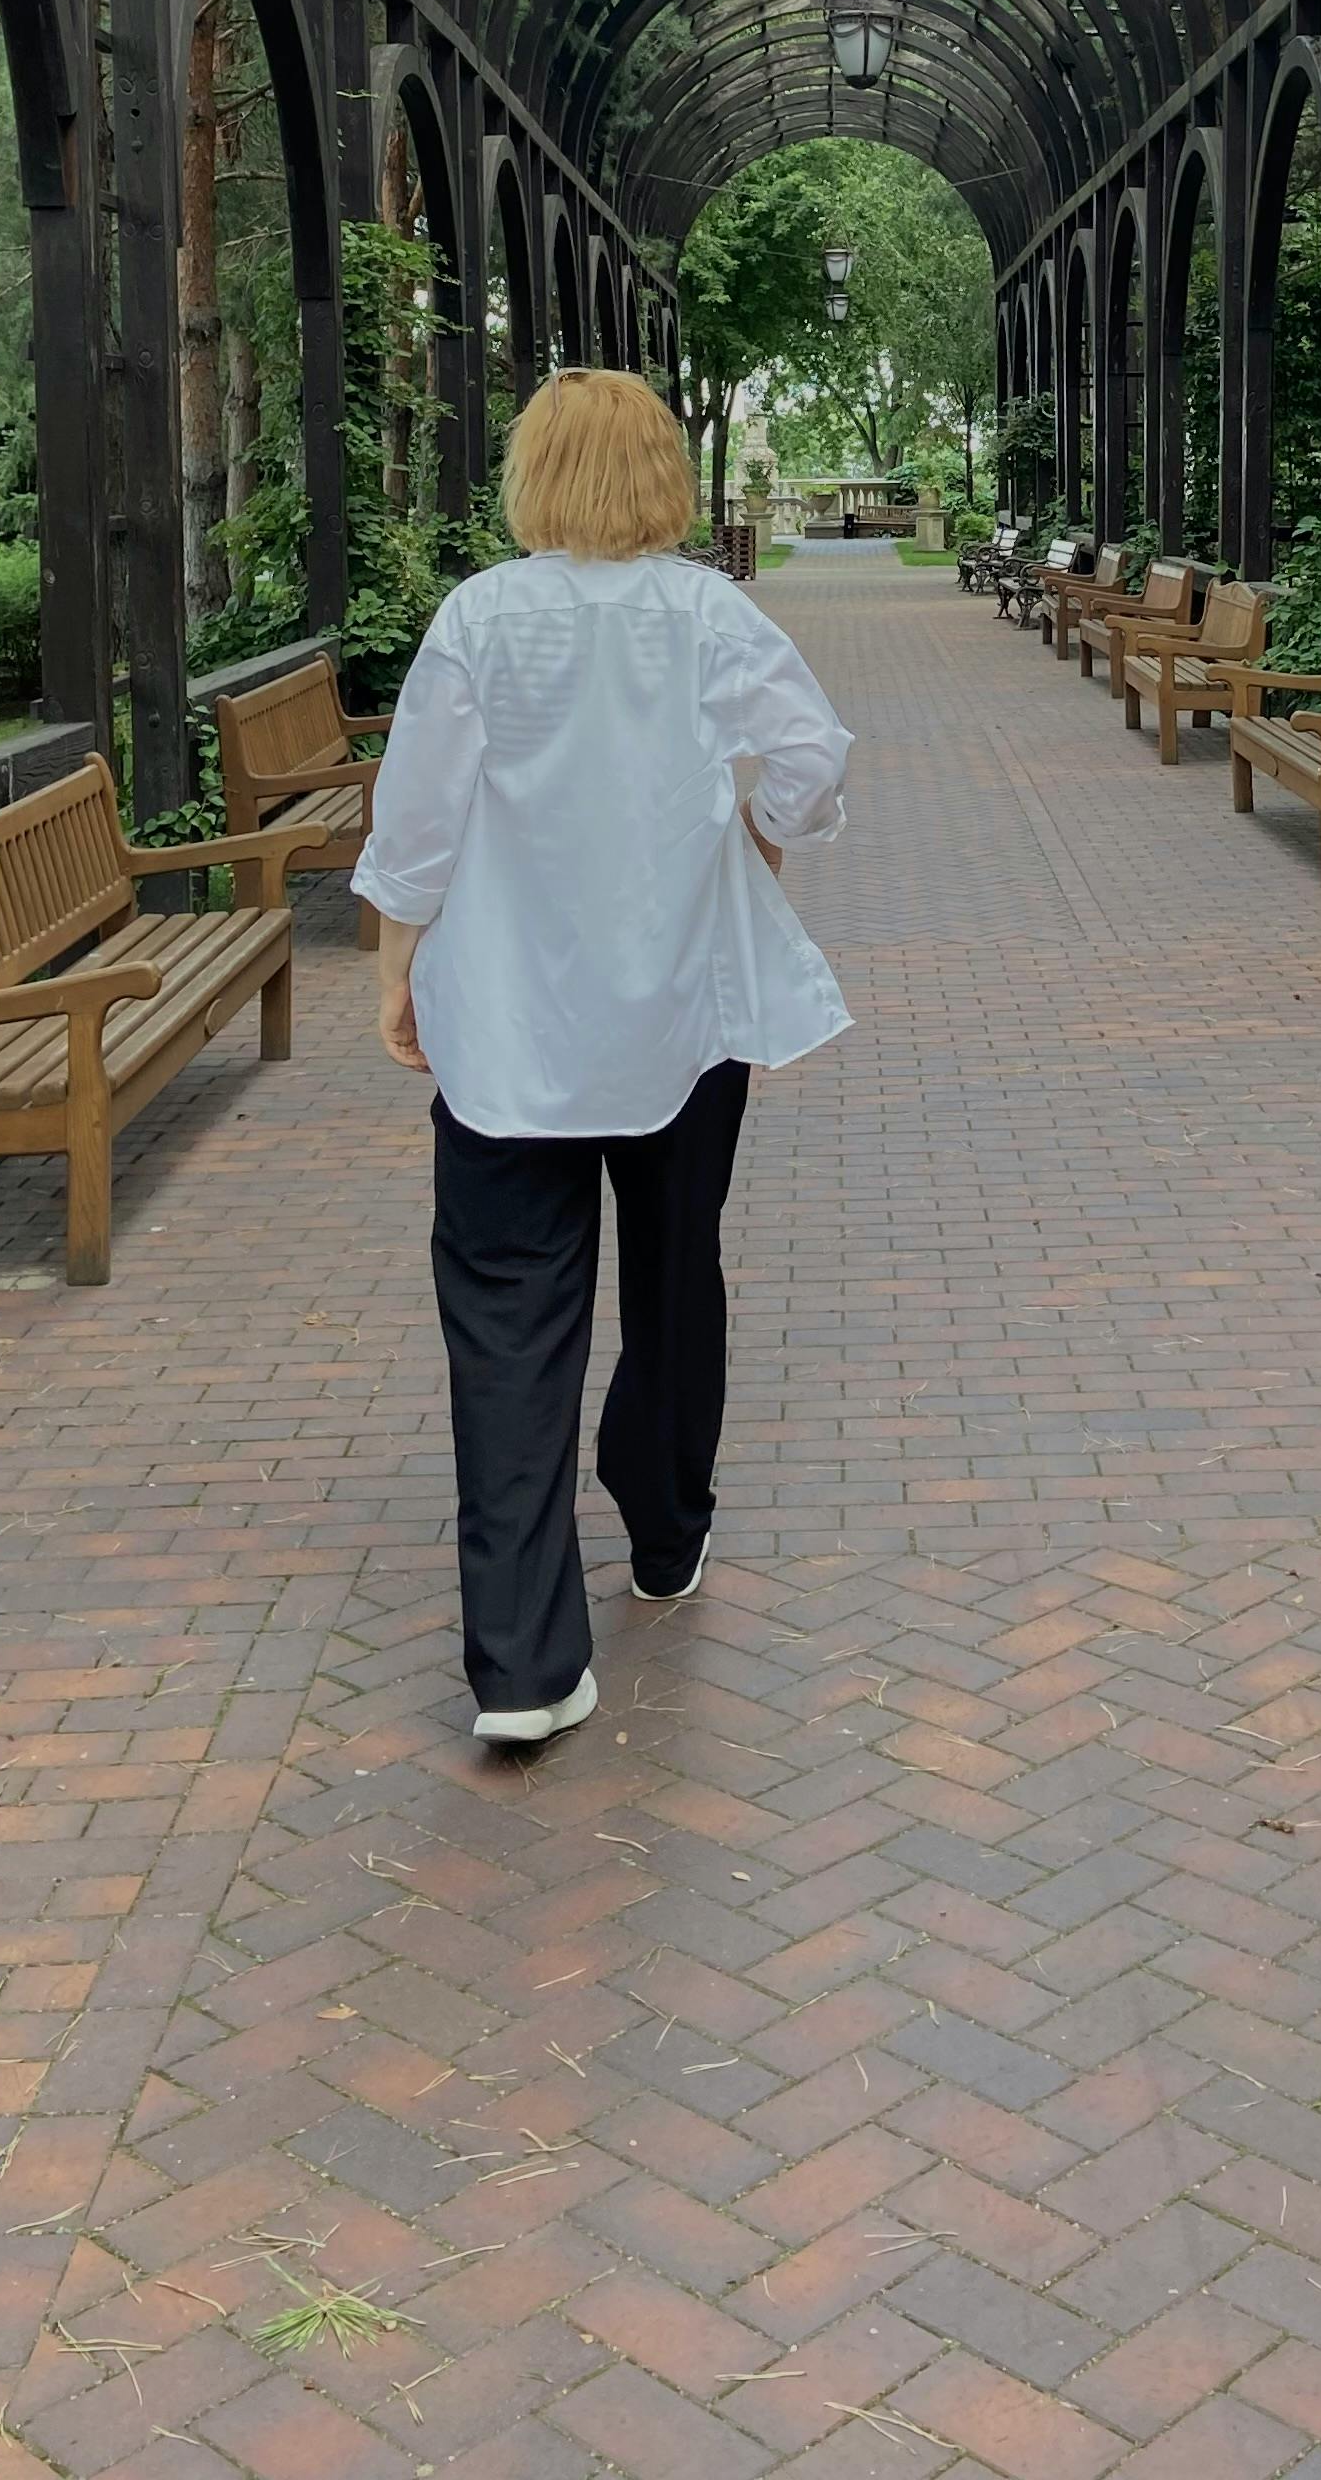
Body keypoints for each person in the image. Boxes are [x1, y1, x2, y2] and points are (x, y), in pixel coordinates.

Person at [353, 368, 853, 1748]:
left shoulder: (478, 620)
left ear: (532, 473)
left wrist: (399, 965)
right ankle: (666, 1517)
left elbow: (418, 820)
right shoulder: (705, 615)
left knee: (508, 1312)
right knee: (676, 1266)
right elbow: (810, 752)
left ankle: (521, 1664)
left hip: (512, 1023)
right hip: (682, 1016)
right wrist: (767, 835)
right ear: (661, 477)